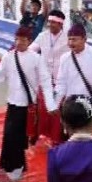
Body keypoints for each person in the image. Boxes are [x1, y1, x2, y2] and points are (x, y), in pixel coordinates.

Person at [0, 26, 56, 181]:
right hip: (12, 103)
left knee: (18, 137)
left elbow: (46, 82)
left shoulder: (36, 58)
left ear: (29, 41)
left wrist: (50, 104)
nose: (19, 42)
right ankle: (10, 166)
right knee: (9, 136)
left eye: (23, 40)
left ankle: (17, 167)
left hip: (27, 106)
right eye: (17, 39)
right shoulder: (9, 57)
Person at [27, 9, 70, 146]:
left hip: (60, 81)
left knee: (56, 112)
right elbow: (31, 49)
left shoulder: (68, 38)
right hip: (44, 80)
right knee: (41, 110)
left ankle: (56, 138)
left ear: (61, 24)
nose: (50, 25)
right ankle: (36, 133)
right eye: (49, 22)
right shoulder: (42, 36)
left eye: (54, 23)